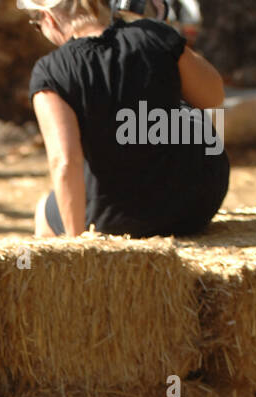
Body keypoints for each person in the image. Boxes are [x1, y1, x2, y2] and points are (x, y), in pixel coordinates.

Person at [20, 0, 229, 238]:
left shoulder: (51, 72)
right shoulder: (154, 35)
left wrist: (77, 247)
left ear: (49, 19)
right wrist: (159, 35)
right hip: (196, 203)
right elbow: (214, 96)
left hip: (118, 218)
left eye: (37, 25)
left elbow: (65, 162)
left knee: (43, 212)